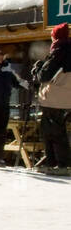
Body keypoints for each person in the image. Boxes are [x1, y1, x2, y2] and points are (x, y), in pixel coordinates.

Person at [32, 24, 71, 173]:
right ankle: (58, 163)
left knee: (51, 132)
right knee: (58, 131)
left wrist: (38, 69)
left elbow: (44, 76)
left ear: (56, 37)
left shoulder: (58, 51)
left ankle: (59, 164)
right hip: (67, 99)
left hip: (55, 99)